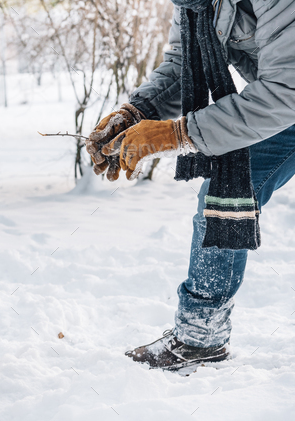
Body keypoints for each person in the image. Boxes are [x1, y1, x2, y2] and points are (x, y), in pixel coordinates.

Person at [85, 0, 295, 370]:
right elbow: (185, 61)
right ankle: (201, 339)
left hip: (286, 97)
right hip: (285, 104)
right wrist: (137, 112)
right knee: (227, 195)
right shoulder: (194, 3)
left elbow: (285, 90)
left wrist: (178, 132)